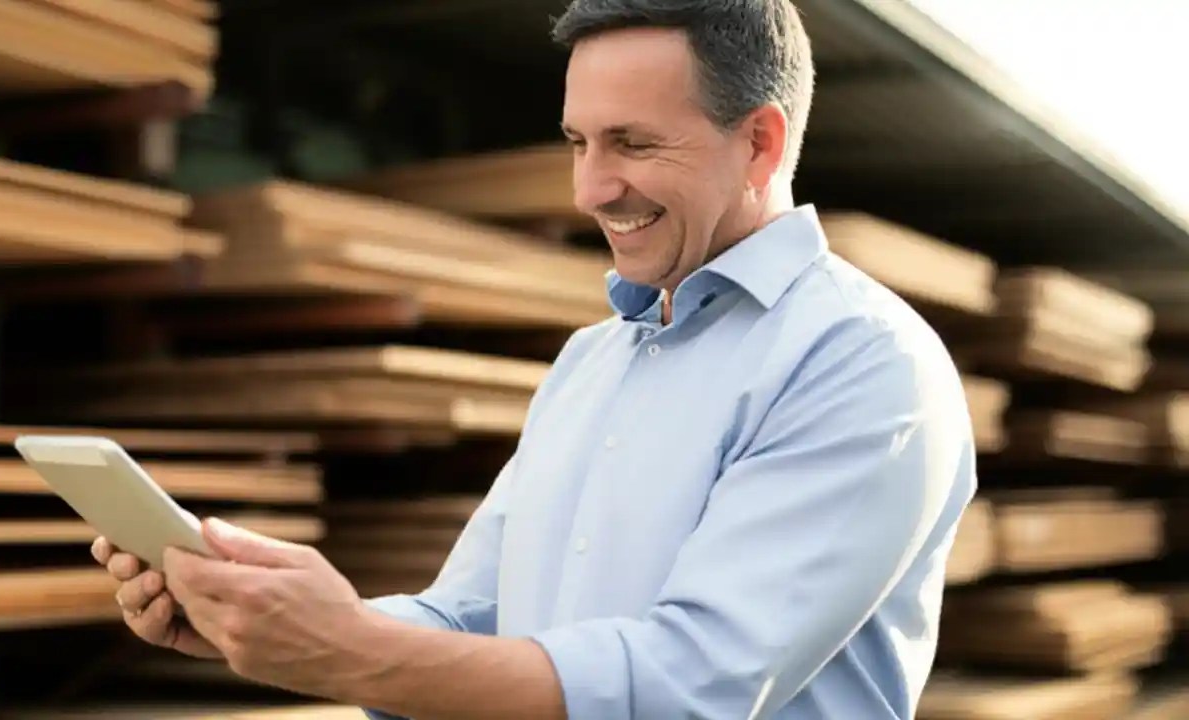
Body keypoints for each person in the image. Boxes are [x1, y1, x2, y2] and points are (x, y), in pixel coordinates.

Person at [93, 1, 978, 717]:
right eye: (577, 142)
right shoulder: (592, 360)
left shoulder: (863, 363)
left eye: (633, 143)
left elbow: (691, 687)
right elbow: (472, 618)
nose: (591, 188)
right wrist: (265, 620)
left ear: (761, 142)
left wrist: (349, 650)